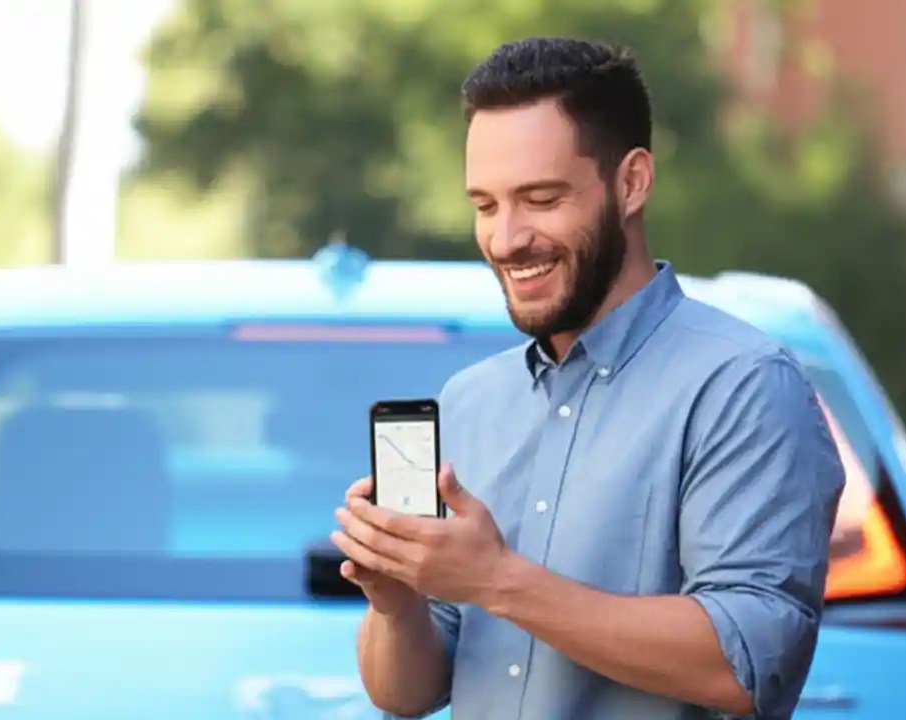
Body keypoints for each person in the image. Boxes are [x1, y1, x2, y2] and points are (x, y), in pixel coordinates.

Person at [331, 36, 846, 719]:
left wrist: (496, 581)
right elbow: (407, 695)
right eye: (485, 206)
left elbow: (751, 664)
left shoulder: (744, 385)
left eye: (540, 199)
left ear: (631, 182)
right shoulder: (471, 401)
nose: (506, 239)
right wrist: (397, 601)